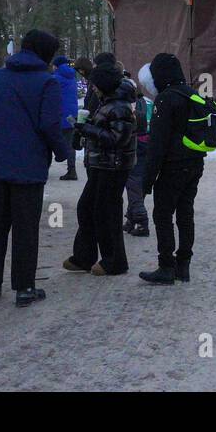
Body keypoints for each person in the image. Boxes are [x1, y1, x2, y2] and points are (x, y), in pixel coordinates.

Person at [0, 29, 71, 307]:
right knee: (25, 229)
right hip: (29, 168)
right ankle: (25, 287)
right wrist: (62, 152)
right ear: (46, 54)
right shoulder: (46, 83)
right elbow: (49, 124)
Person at [138, 53, 207, 285]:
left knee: (163, 214)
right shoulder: (192, 94)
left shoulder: (165, 99)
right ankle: (183, 265)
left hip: (173, 167)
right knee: (186, 214)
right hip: (195, 164)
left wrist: (146, 182)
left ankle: (166, 266)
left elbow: (156, 145)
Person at [63, 61, 136, 276]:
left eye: (95, 84)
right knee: (87, 208)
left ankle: (114, 261)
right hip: (101, 164)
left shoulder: (120, 106)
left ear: (104, 84)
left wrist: (88, 129)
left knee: (107, 213)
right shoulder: (107, 102)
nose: (92, 88)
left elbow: (117, 139)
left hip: (113, 167)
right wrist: (83, 130)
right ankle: (84, 257)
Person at [124, 71, 151, 237]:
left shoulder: (132, 105)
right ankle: (132, 218)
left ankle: (141, 221)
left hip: (137, 145)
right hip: (146, 144)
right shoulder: (145, 101)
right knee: (134, 184)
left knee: (134, 184)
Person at [52, 55, 80, 180]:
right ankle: (72, 170)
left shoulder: (55, 78)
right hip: (72, 115)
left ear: (56, 66)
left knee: (48, 139)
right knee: (70, 143)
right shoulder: (72, 77)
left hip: (60, 114)